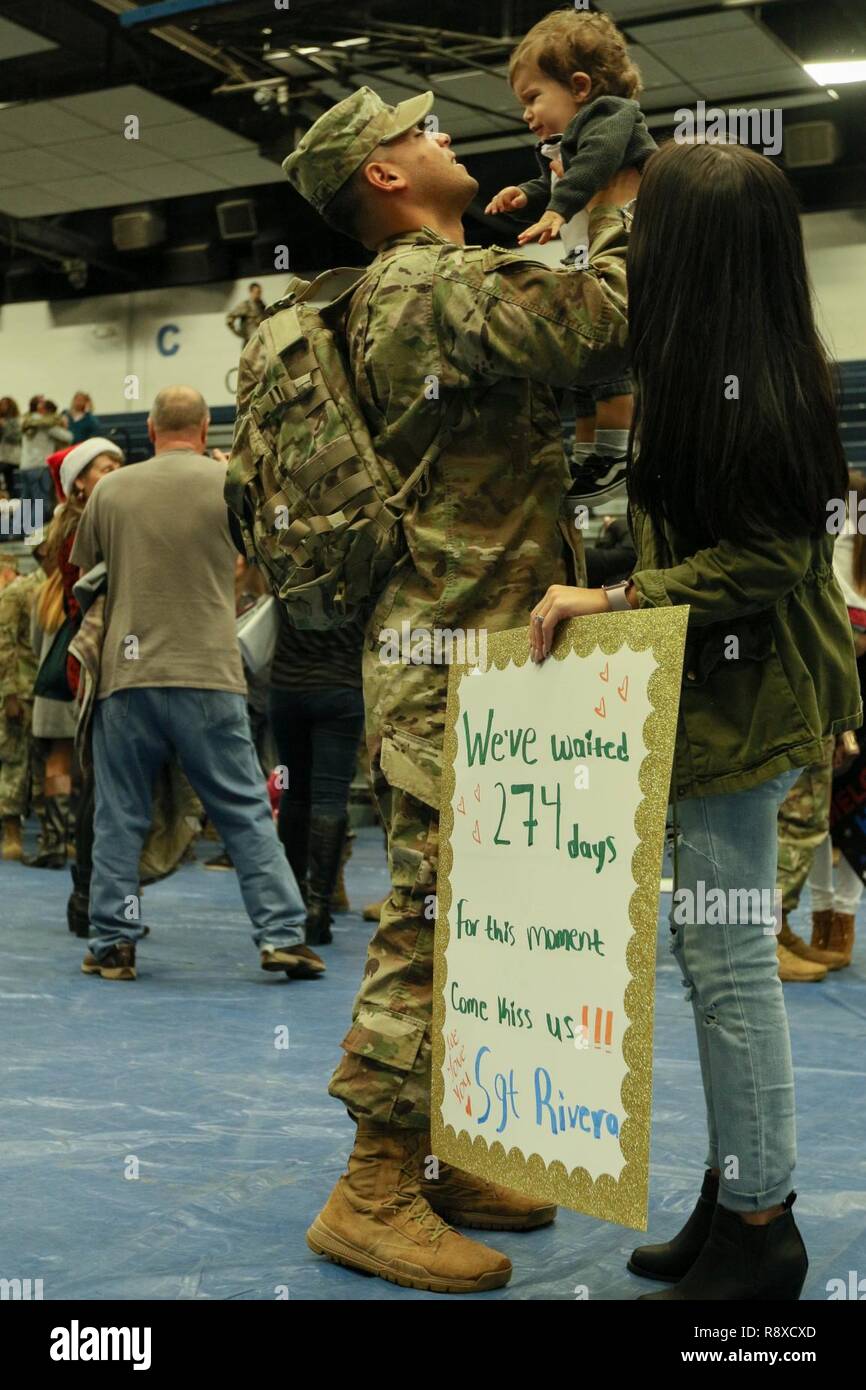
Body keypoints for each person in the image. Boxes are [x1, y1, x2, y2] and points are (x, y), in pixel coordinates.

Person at [279, 84, 635, 1293]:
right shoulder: (420, 285)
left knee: (472, 926)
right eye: (418, 134)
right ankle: (371, 1188)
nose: (444, 140)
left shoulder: (438, 279)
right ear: (383, 177)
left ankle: (432, 1155)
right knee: (429, 923)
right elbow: (605, 323)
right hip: (451, 662)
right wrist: (627, 203)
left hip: (474, 650)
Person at [529, 139, 861, 1301]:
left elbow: (768, 556)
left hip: (747, 694)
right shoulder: (726, 357)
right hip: (724, 688)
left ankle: (763, 1222)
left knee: (725, 968)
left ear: (689, 250)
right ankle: (732, 1197)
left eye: (646, 217)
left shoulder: (747, 386)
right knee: (708, 953)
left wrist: (614, 596)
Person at [71, 385, 322, 984]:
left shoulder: (111, 488)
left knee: (120, 816)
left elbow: (87, 572)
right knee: (244, 812)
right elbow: (270, 559)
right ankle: (283, 936)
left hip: (128, 674)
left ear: (151, 430)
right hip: (210, 671)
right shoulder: (230, 485)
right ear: (207, 427)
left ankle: (113, 943)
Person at [486, 10, 656, 507]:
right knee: (583, 373)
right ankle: (588, 456)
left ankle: (615, 452)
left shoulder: (612, 118)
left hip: (626, 247)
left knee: (610, 370)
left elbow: (594, 166)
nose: (526, 114)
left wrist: (557, 209)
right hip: (588, 257)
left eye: (534, 98)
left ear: (579, 86)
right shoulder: (568, 142)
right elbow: (563, 175)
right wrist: (528, 191)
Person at [268, 605, 365, 944]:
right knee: (331, 796)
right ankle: (318, 911)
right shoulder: (363, 552)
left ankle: (291, 904)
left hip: (287, 685)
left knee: (294, 794)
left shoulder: (282, 551)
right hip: (341, 684)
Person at [0, 531, 52, 861]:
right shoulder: (19, 591)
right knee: (16, 763)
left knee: (48, 763)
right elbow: (3, 644)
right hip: (21, 688)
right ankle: (12, 834)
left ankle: (53, 832)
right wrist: (8, 694)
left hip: (51, 690)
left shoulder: (62, 589)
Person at [19, 397, 71, 520]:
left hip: (25, 466)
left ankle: (17, 531)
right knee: (40, 502)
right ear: (41, 408)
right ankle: (33, 532)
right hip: (39, 466)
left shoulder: (26, 421)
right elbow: (68, 437)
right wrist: (64, 424)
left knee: (26, 501)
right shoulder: (46, 424)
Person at [0, 397, 22, 501]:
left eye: (5, 404)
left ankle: (14, 506)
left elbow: (17, 437)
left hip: (12, 457)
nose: (3, 407)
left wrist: (4, 426)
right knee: (8, 484)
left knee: (13, 485)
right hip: (3, 456)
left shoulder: (16, 421)